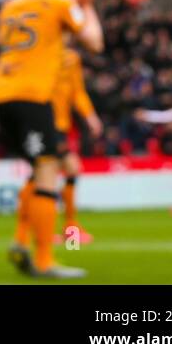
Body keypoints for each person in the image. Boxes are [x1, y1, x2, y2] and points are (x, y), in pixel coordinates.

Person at [0, 0, 103, 279]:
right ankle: (44, 260)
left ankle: (21, 240)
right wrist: (89, 6)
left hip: (3, 96)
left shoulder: (10, 6)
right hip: (34, 98)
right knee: (46, 170)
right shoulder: (58, 2)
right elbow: (95, 42)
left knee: (39, 169)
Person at [50, 47, 102, 243]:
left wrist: (90, 116)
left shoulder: (71, 58)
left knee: (67, 170)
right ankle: (61, 228)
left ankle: (68, 228)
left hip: (60, 126)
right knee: (51, 174)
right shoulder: (39, 55)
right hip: (44, 122)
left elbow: (77, 92)